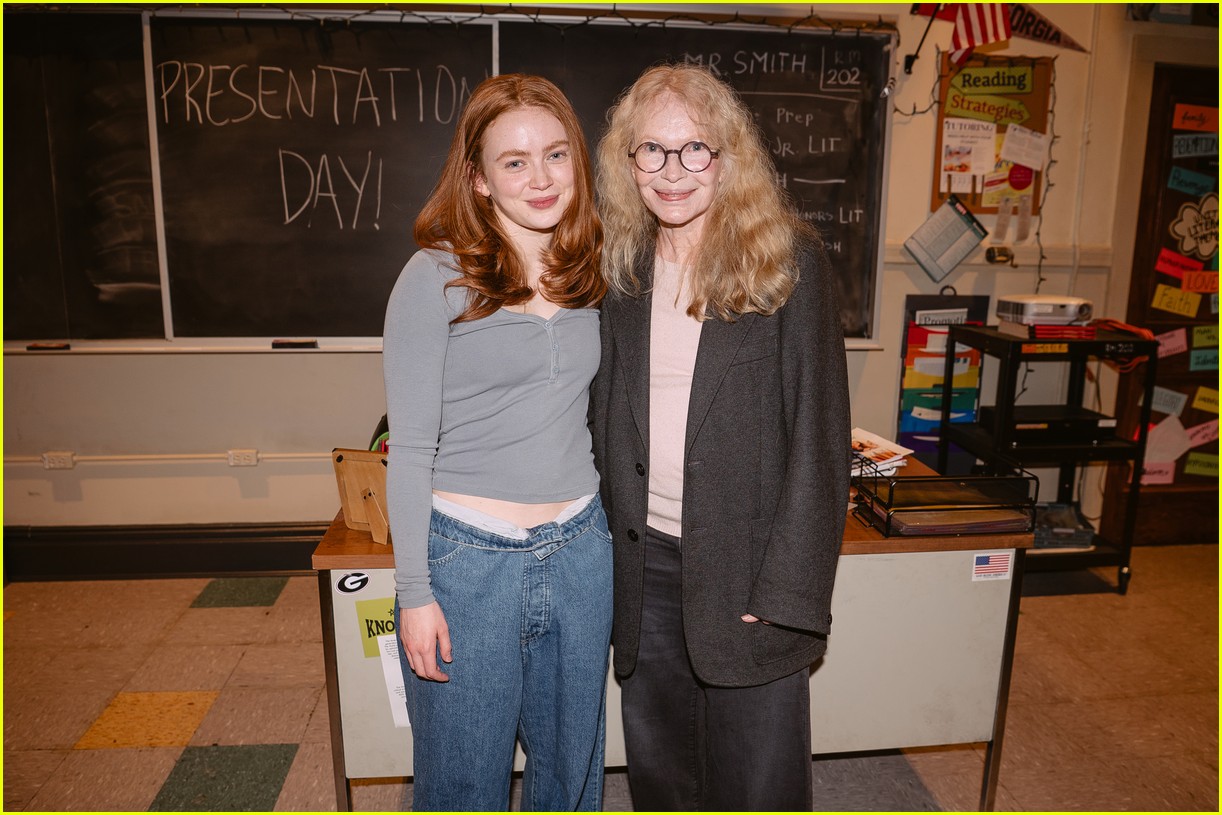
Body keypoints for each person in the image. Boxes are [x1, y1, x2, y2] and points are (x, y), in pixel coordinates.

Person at [590, 63, 851, 811]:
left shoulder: (788, 262)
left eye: (693, 149)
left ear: (727, 156)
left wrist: (785, 592)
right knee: (664, 778)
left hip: (750, 578)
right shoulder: (621, 269)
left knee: (756, 784)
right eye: (651, 151)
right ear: (626, 159)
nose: (672, 172)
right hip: (647, 573)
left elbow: (820, 444)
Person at [382, 73, 611, 811]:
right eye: (514, 161)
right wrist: (413, 592)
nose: (540, 178)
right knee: (460, 780)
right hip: (468, 564)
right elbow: (410, 447)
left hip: (580, 552)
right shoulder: (434, 278)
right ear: (478, 179)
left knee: (571, 772)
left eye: (555, 155)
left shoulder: (594, 273)